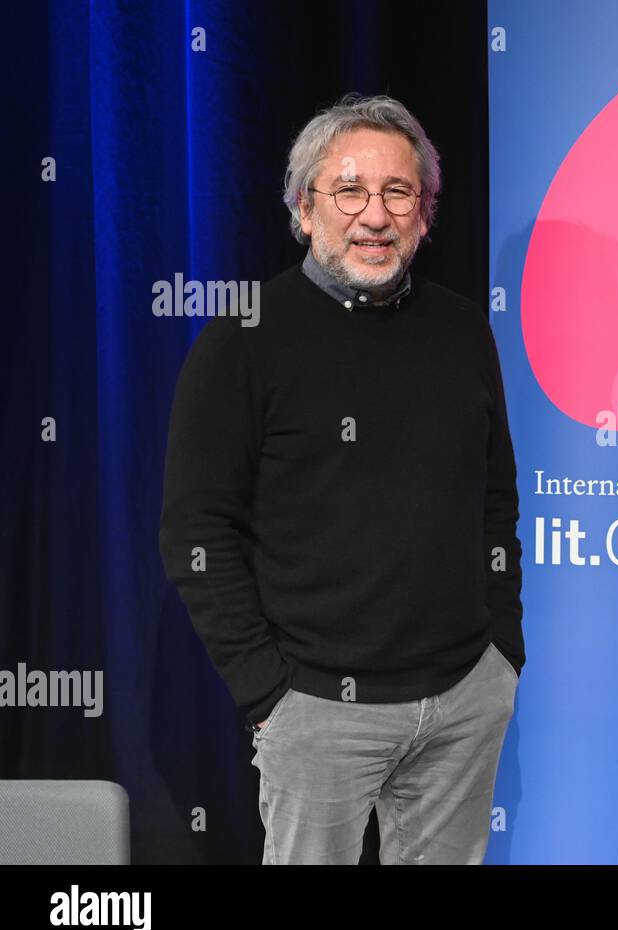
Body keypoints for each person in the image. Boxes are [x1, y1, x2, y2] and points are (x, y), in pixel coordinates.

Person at [159, 93, 523, 864]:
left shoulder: (462, 330)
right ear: (304, 206)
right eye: (349, 190)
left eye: (399, 192)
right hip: (316, 707)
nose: (375, 215)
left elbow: (496, 498)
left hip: (462, 699)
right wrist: (269, 695)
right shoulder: (243, 340)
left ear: (424, 213)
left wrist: (501, 653)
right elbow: (196, 532)